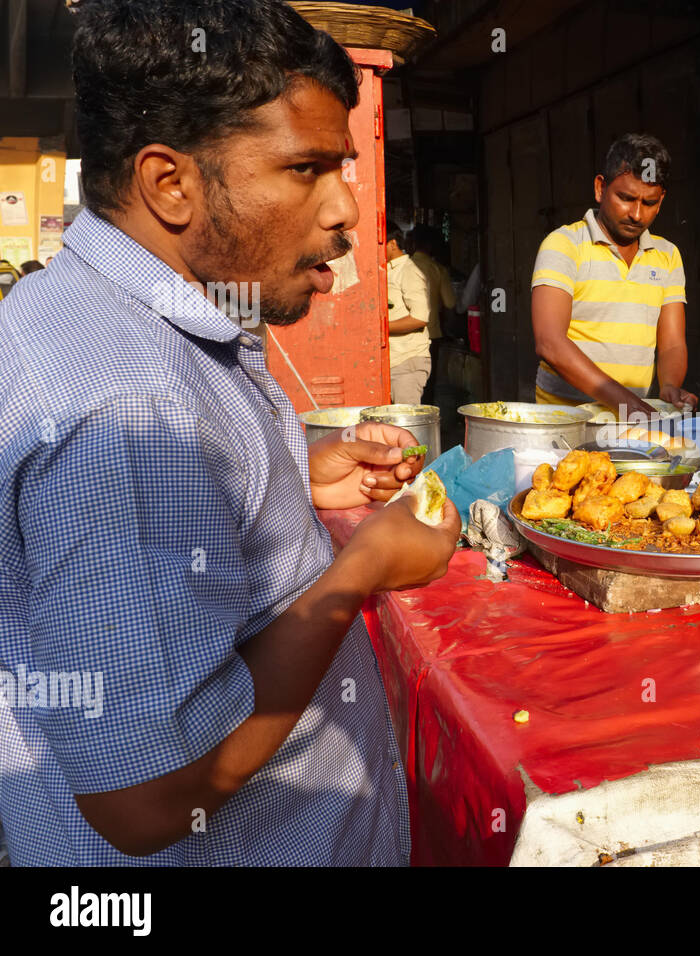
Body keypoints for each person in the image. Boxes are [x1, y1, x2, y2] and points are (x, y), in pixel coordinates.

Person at [0, 0, 460, 865]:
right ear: (170, 182)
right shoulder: (127, 408)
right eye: (305, 169)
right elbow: (148, 798)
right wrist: (359, 570)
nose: (346, 211)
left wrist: (289, 476)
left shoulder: (83, 310)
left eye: (345, 166)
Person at [531, 132, 698, 414]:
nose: (636, 214)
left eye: (649, 203)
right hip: (564, 421)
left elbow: (671, 343)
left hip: (630, 423)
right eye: (626, 198)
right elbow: (550, 343)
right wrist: (627, 403)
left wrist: (669, 385)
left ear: (662, 200)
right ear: (600, 188)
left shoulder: (667, 255)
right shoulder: (564, 245)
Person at [384, 225, 433, 405]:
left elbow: (420, 318)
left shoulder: (408, 270)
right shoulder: (388, 270)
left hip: (407, 361)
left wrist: (380, 328)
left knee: (405, 425)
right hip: (394, 361)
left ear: (392, 244)